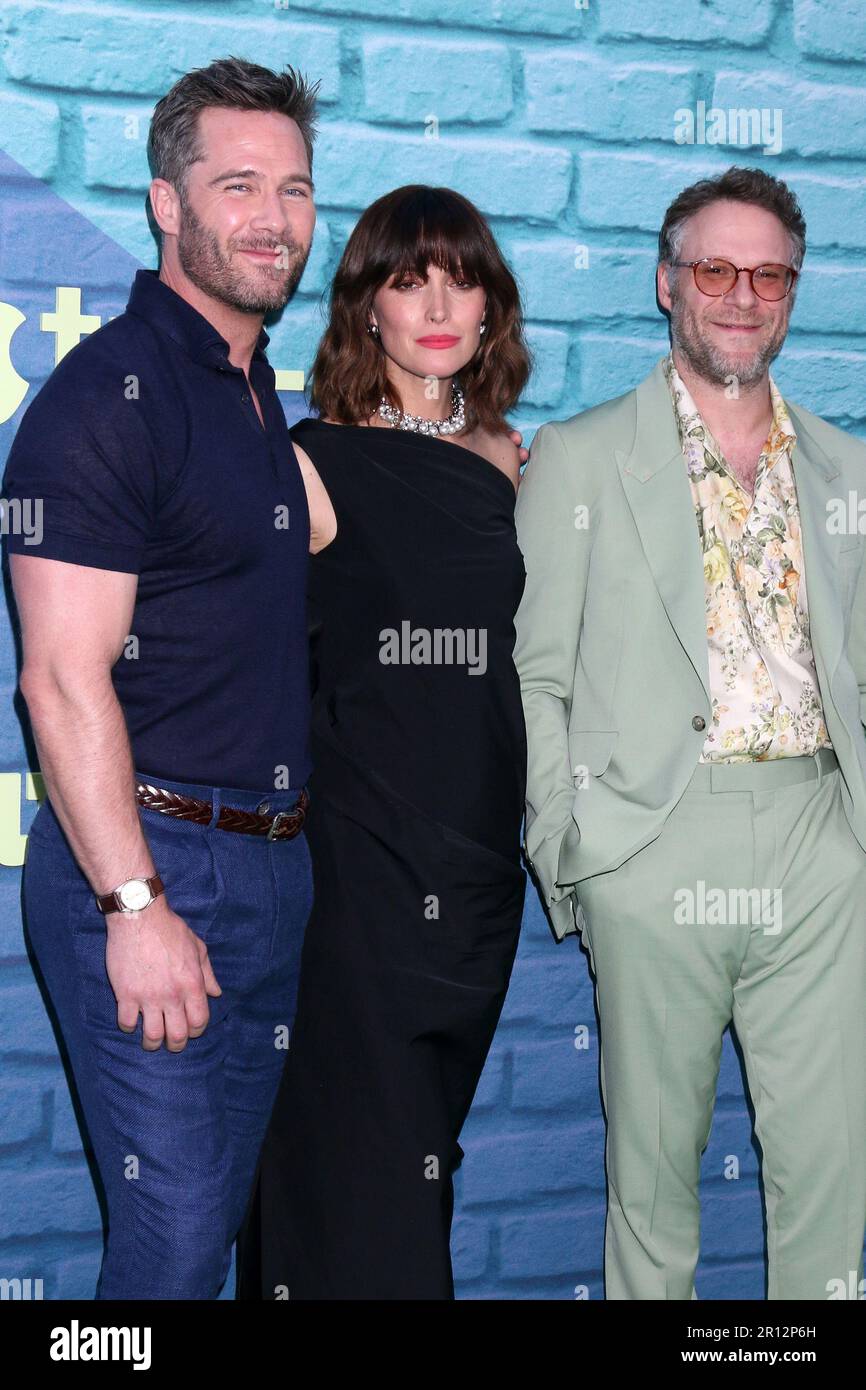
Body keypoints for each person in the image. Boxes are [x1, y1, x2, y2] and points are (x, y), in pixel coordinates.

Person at [514, 166, 866, 1300]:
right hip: (650, 842)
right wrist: (577, 851)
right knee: (651, 1187)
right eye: (713, 269)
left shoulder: (845, 470)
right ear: (666, 283)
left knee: (827, 1182)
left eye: (767, 274)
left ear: (791, 293)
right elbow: (533, 677)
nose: (739, 295)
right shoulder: (576, 458)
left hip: (821, 840)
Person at [1, 56, 320, 1299]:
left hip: (268, 871)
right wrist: (135, 908)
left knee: (213, 1230)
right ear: (162, 202)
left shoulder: (248, 398)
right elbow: (58, 683)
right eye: (234, 184)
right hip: (148, 874)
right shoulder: (103, 401)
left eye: (293, 189)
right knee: (179, 1246)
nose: (271, 218)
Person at [236, 184, 531, 1300]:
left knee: (417, 1171)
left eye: (461, 276)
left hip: (472, 879)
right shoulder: (309, 461)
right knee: (363, 1192)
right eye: (408, 280)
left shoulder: (517, 463)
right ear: (366, 308)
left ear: (491, 303)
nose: (438, 303)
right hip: (356, 879)